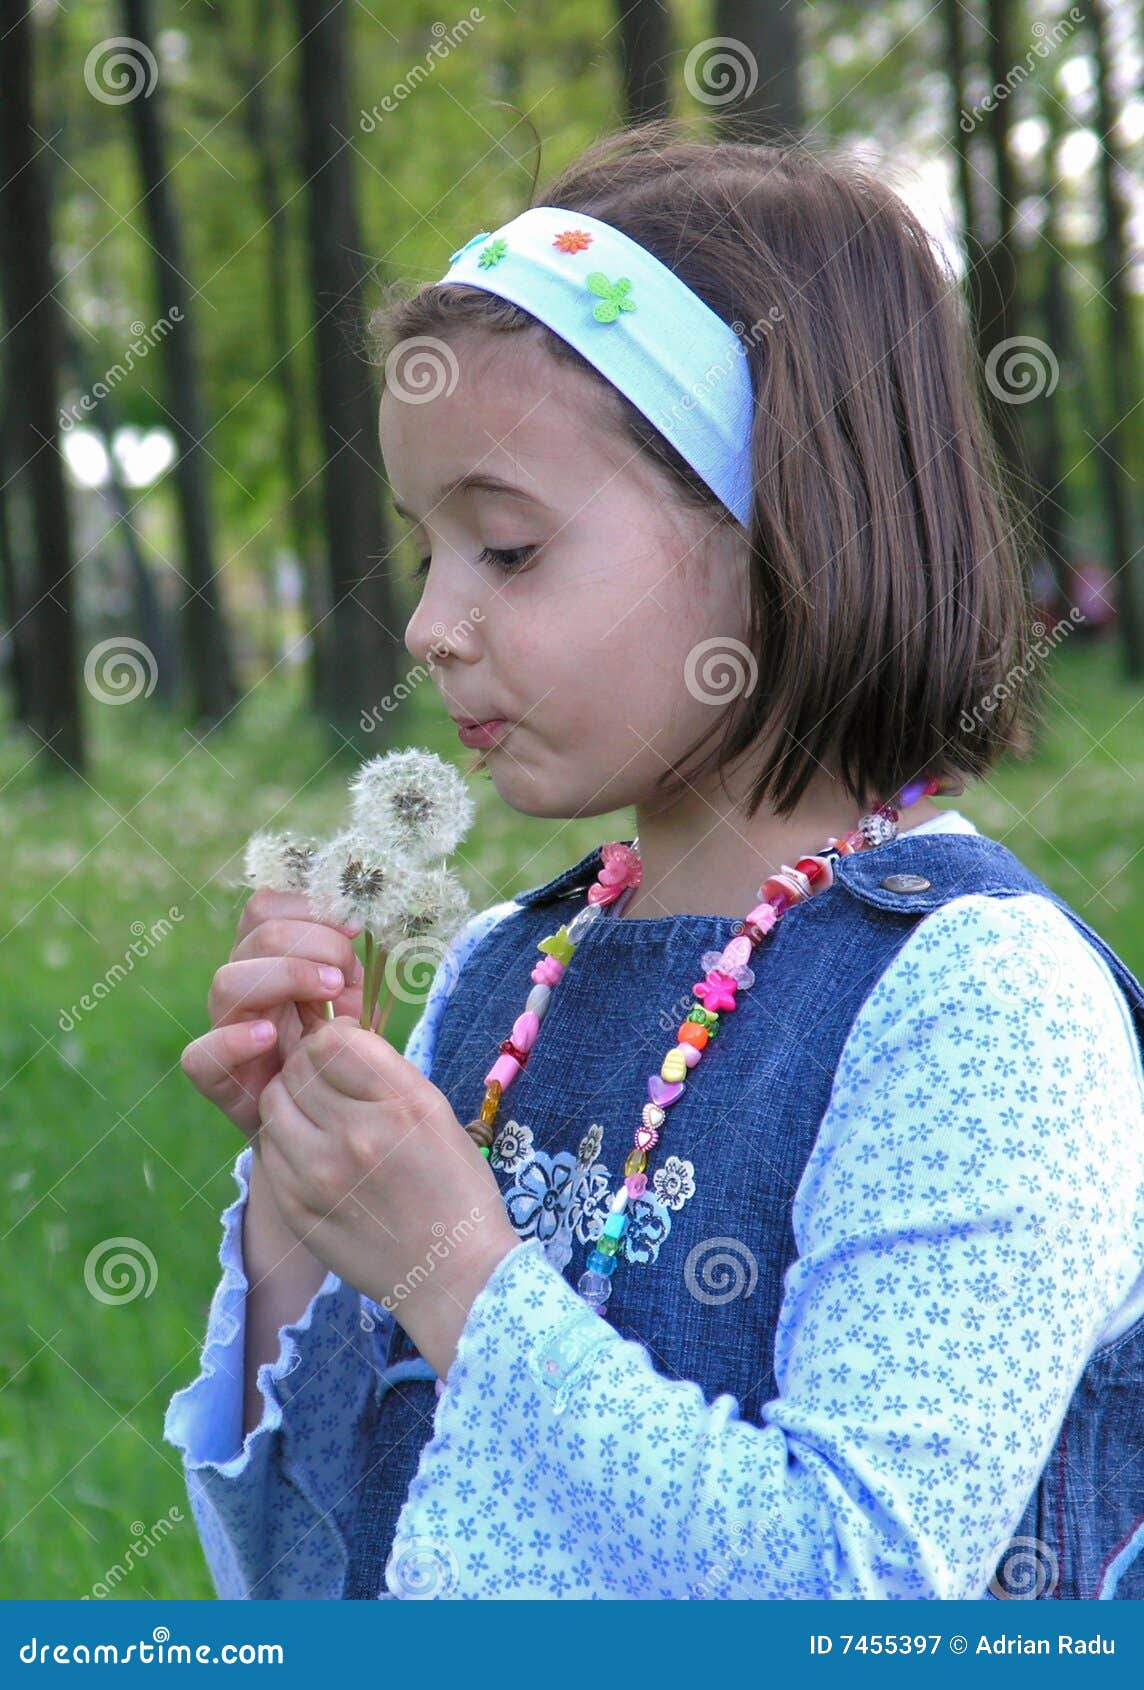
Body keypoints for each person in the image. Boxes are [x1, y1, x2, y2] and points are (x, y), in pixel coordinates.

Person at [164, 120, 1144, 1601]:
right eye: (423, 549)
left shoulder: (980, 1005)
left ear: (782, 531)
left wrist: (450, 1268)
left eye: (506, 549)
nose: (431, 623)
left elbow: (858, 1592)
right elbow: (323, 1580)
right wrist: (313, 1202)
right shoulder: (506, 975)